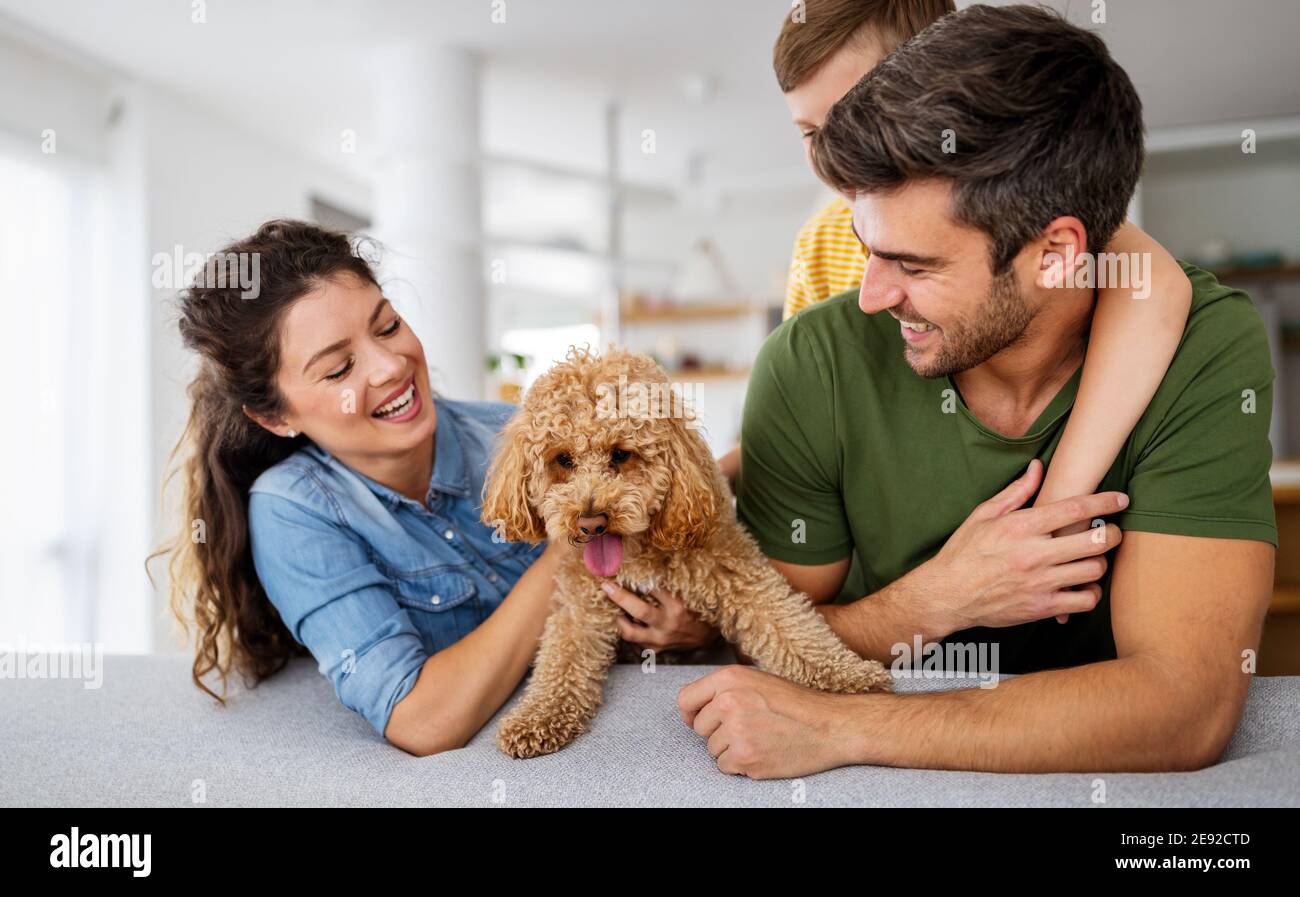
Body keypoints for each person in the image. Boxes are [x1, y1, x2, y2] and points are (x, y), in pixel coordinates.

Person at [680, 4, 1276, 777]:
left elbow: (1186, 707)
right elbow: (762, 641)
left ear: (1058, 253)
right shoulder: (811, 361)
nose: (870, 295)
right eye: (866, 247)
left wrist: (848, 729)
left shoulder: (1203, 345)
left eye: (915, 265)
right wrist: (937, 600)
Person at [156, 220, 567, 757]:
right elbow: (421, 720)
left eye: (389, 325)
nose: (391, 366)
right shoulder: (294, 511)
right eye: (339, 368)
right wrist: (572, 550)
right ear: (276, 417)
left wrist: (684, 627)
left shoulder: (519, 432)